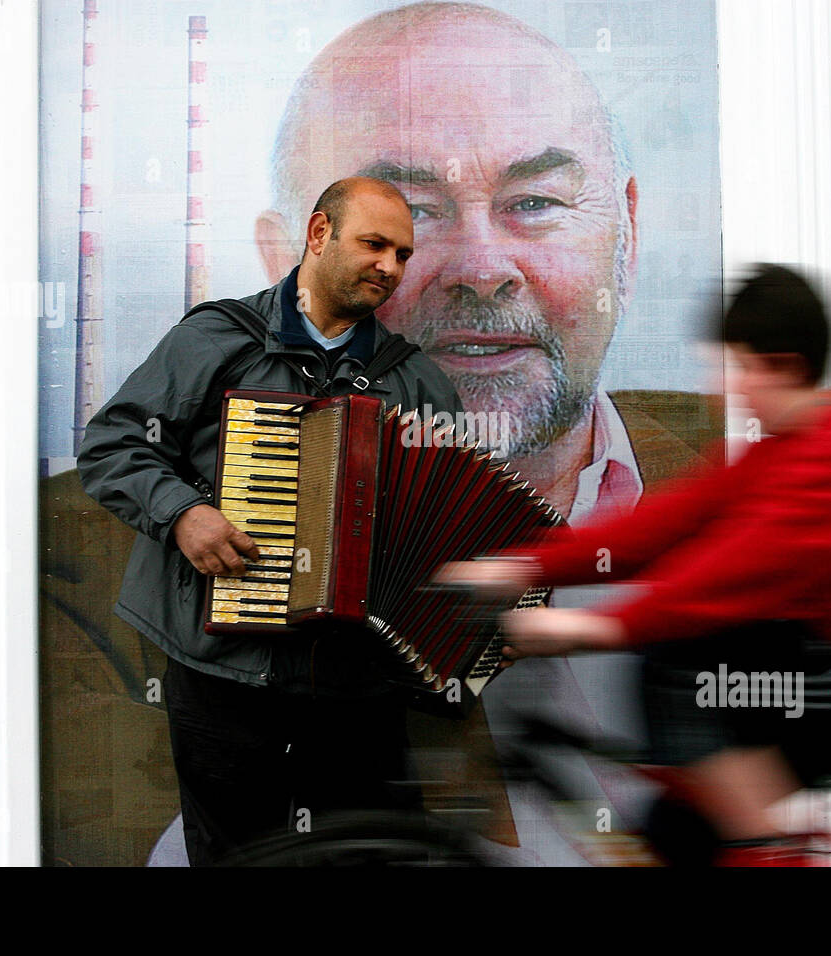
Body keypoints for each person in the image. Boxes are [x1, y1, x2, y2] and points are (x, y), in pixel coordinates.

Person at [252, 0, 720, 862]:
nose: (480, 269)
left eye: (535, 200)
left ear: (628, 233)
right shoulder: (96, 569)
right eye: (409, 215)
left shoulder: (742, 473)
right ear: (287, 262)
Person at [443, 265, 831, 864]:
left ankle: (766, 853)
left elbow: (730, 575)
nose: (728, 389)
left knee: (679, 667)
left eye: (739, 368)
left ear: (784, 366)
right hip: (830, 659)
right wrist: (524, 567)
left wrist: (592, 627)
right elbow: (672, 523)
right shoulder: (787, 448)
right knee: (678, 830)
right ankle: (743, 838)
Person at [78, 176, 462, 866]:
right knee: (237, 857)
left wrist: (484, 618)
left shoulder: (418, 382)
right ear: (318, 234)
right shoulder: (219, 339)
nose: (391, 267)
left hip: (357, 680)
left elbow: (454, 523)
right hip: (223, 670)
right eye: (374, 244)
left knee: (373, 856)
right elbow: (112, 447)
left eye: (403, 254)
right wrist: (183, 513)